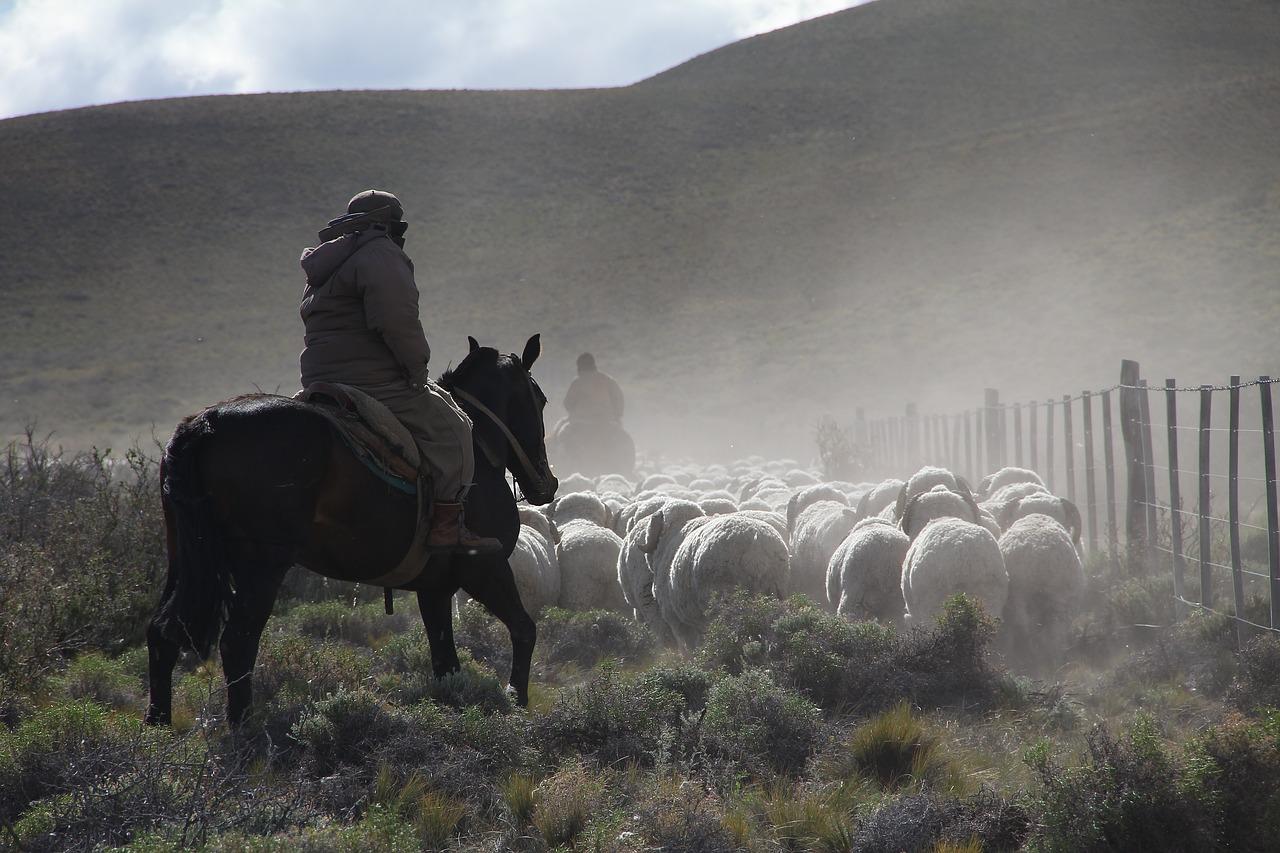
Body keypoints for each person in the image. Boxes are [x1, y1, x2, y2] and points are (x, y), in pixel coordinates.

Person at [298, 189, 500, 554]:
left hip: (318, 378)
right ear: (388, 224)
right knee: (453, 428)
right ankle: (445, 526)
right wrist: (416, 369)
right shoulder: (380, 254)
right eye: (399, 225)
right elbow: (397, 322)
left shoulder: (324, 264)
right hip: (372, 381)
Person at [563, 352, 625, 423]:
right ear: (593, 365)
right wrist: (617, 416)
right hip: (607, 420)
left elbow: (567, 403)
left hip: (580, 421)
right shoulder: (609, 380)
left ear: (579, 366)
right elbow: (619, 400)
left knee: (559, 428)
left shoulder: (577, 382)